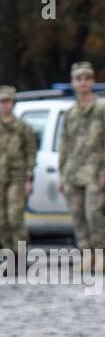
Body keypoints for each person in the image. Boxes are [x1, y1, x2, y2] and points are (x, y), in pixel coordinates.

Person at [60, 62, 105, 263]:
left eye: (86, 79)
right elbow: (64, 144)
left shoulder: (102, 109)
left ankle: (102, 255)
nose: (82, 83)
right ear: (73, 83)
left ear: (92, 81)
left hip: (94, 171)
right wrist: (62, 173)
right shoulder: (70, 113)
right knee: (78, 216)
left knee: (94, 214)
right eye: (78, 79)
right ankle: (86, 255)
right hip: (73, 172)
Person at [0, 85, 38, 255]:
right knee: (1, 220)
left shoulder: (23, 128)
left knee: (15, 217)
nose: (4, 105)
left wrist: (29, 179)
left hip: (17, 177)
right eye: (1, 101)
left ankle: (20, 255)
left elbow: (31, 153)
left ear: (13, 103)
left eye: (7, 101)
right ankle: (9, 254)